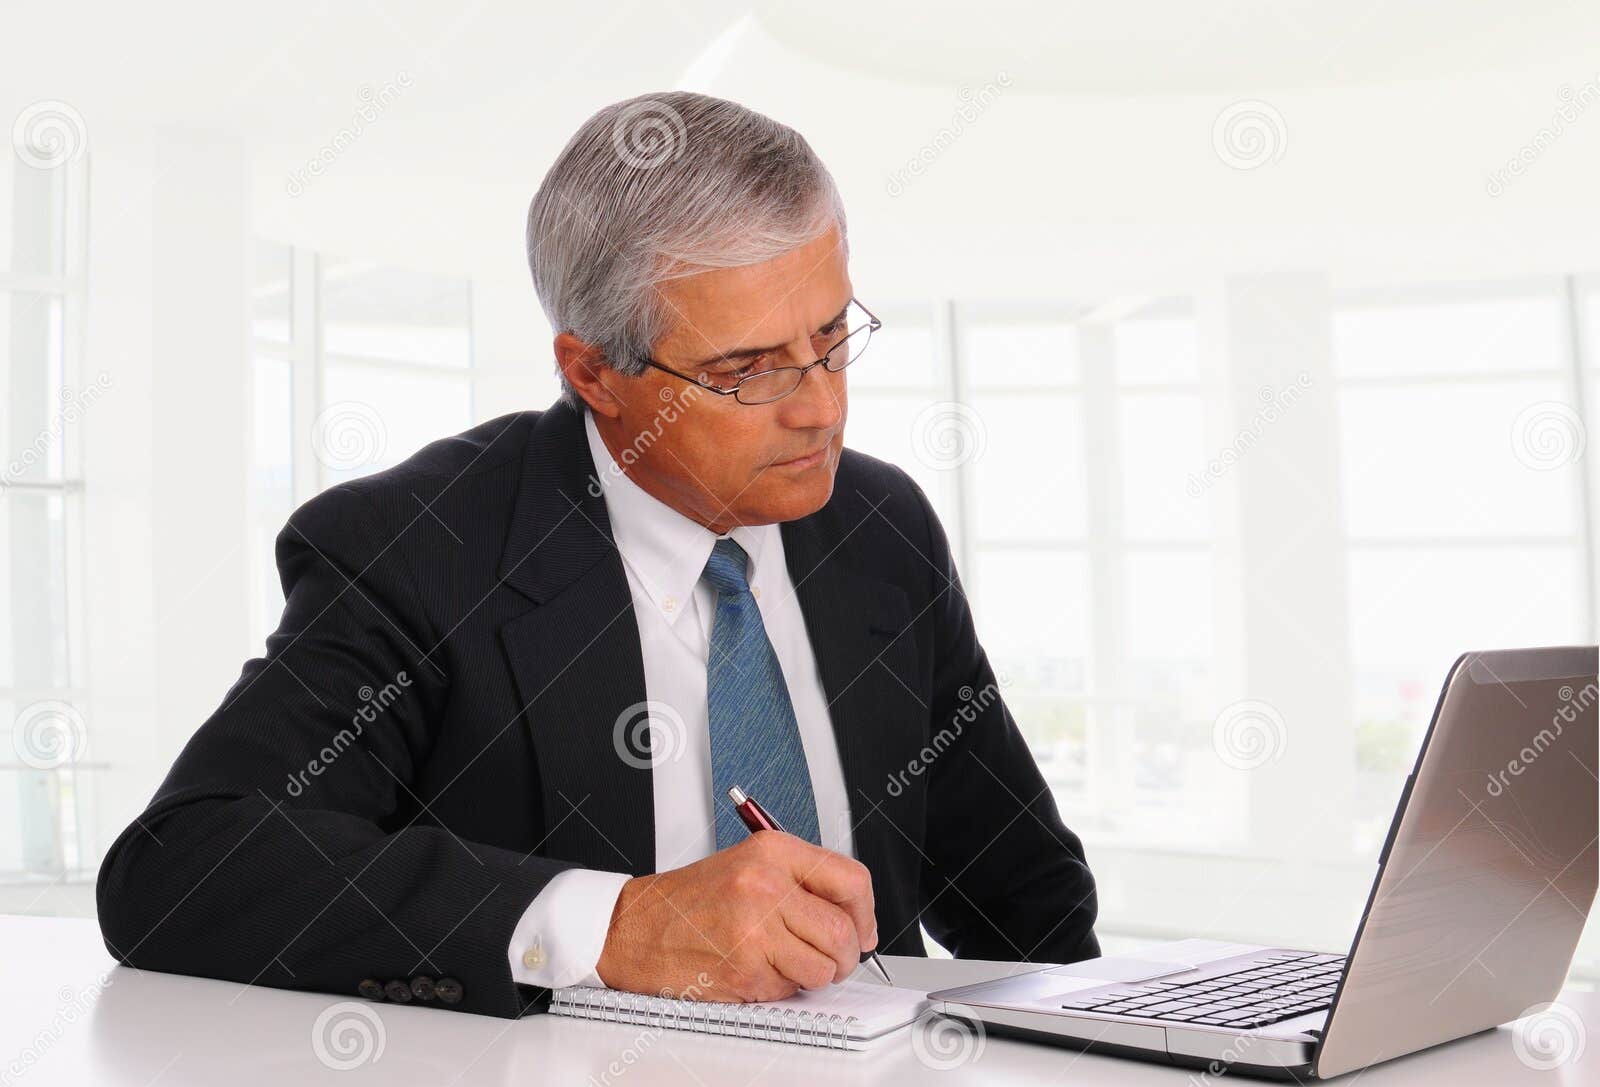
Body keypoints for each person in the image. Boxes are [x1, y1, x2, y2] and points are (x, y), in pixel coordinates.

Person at [95, 91, 1099, 1019]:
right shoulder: (416, 550)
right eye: (746, 370)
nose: (820, 406)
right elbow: (185, 866)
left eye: (832, 336)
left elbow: (1019, 890)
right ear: (594, 371)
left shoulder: (882, 526)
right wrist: (616, 925)